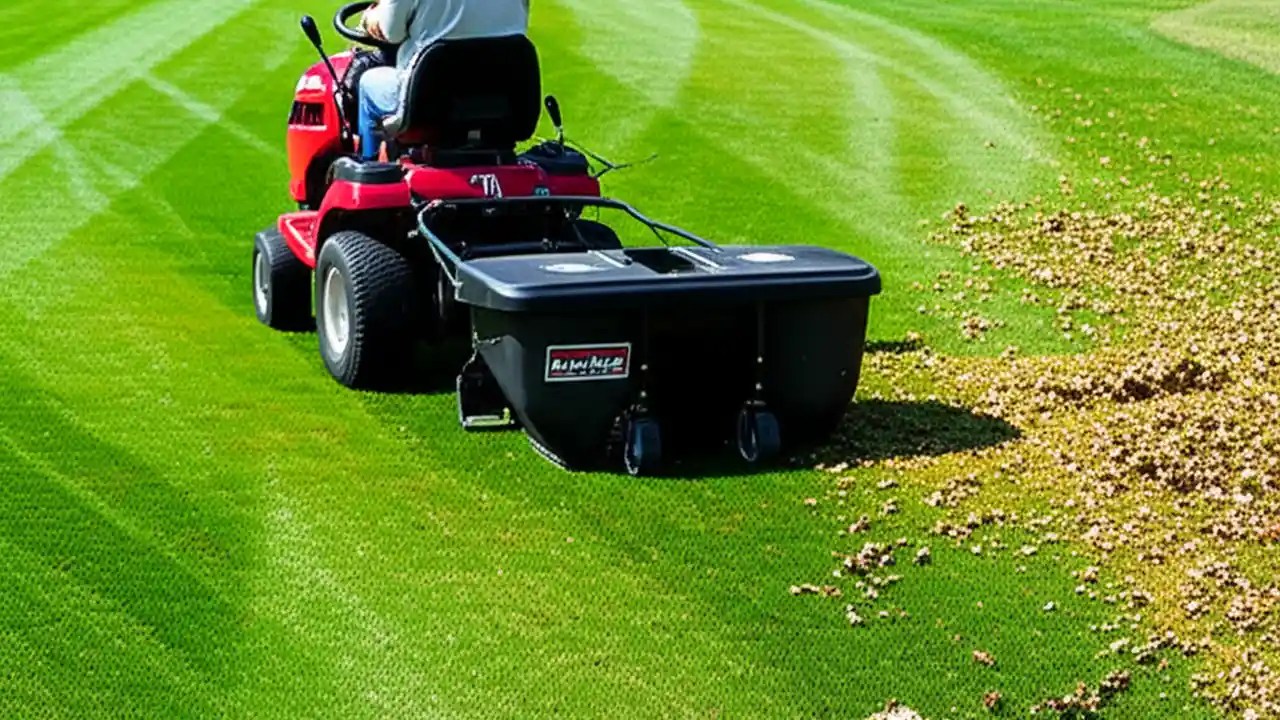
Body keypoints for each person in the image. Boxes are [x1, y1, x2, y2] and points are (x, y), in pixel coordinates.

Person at [355, 0, 531, 160]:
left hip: (427, 103)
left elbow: (391, 32)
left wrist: (371, 18)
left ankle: (370, 168)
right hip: (500, 103)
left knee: (368, 81)